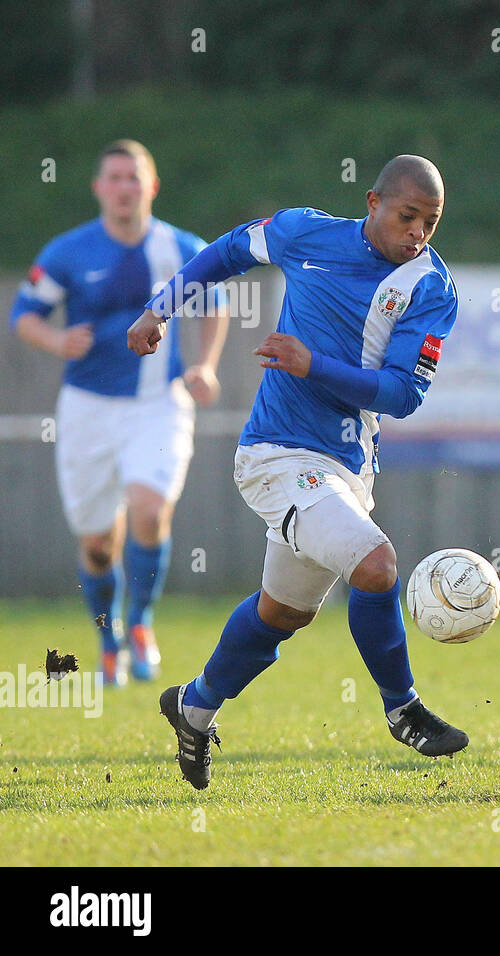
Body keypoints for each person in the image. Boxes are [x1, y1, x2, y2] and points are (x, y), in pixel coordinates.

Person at [128, 155, 468, 789]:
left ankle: (193, 706)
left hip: (345, 470)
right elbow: (229, 251)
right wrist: (160, 309)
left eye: (431, 222)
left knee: (282, 613)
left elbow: (401, 395)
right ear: (372, 203)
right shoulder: (303, 233)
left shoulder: (429, 287)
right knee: (376, 564)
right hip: (276, 455)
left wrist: (312, 364)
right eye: (407, 216)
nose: (418, 233)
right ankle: (403, 709)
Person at [9, 139, 228, 686]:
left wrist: (203, 365)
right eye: (115, 178)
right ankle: (107, 639)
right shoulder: (69, 251)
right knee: (97, 544)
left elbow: (216, 303)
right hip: (86, 409)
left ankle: (142, 623)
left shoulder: (181, 248)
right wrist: (58, 342)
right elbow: (24, 314)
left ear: (151, 186)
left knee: (150, 511)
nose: (125, 187)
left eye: (135, 178)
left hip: (159, 404)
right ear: (98, 188)